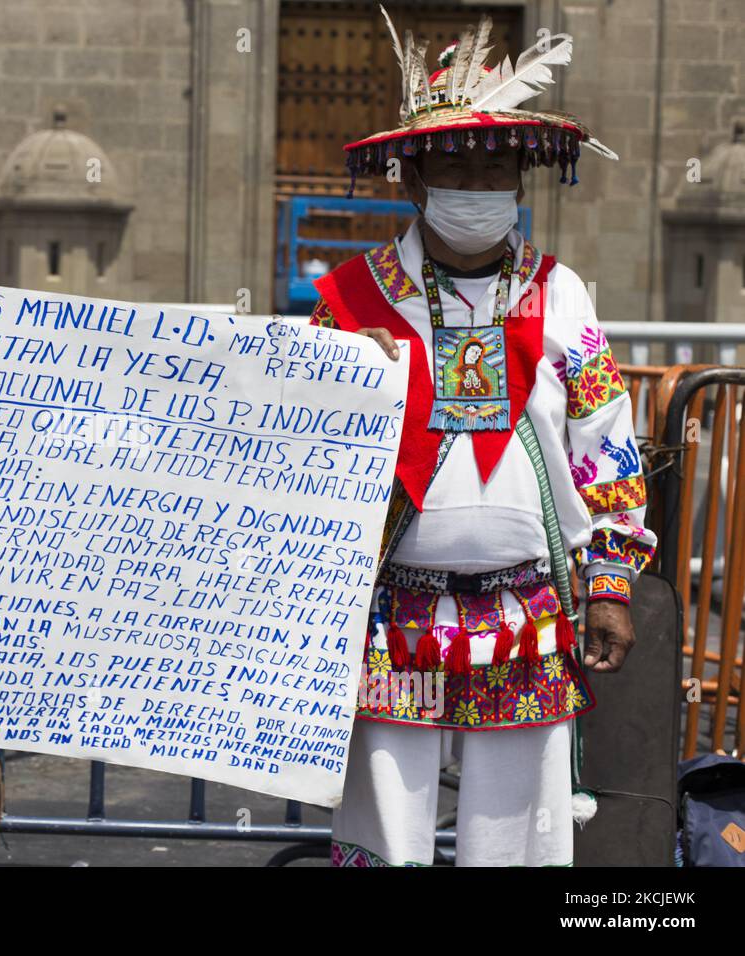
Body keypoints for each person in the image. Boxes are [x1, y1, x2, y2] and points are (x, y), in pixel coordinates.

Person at [311, 10, 656, 866]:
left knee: (522, 838)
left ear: (523, 181)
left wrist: (609, 580)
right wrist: (339, 378)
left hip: (527, 612)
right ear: (415, 178)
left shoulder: (561, 293)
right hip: (388, 615)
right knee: (386, 830)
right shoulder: (350, 301)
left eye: (495, 165)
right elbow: (298, 455)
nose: (478, 180)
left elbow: (604, 442)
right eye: (455, 163)